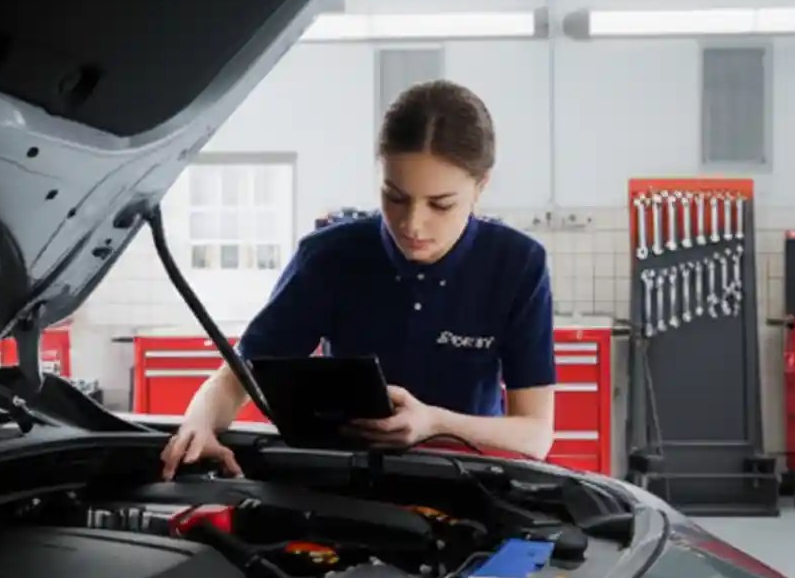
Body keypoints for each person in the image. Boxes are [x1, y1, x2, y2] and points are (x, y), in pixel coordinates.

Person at [160, 80, 555, 480]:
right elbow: (237, 377)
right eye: (395, 197)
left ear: (480, 186)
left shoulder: (518, 264)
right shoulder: (329, 257)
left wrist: (436, 422)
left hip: (470, 482)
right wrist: (199, 424)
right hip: (347, 481)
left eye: (441, 204)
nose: (413, 223)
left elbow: (534, 435)